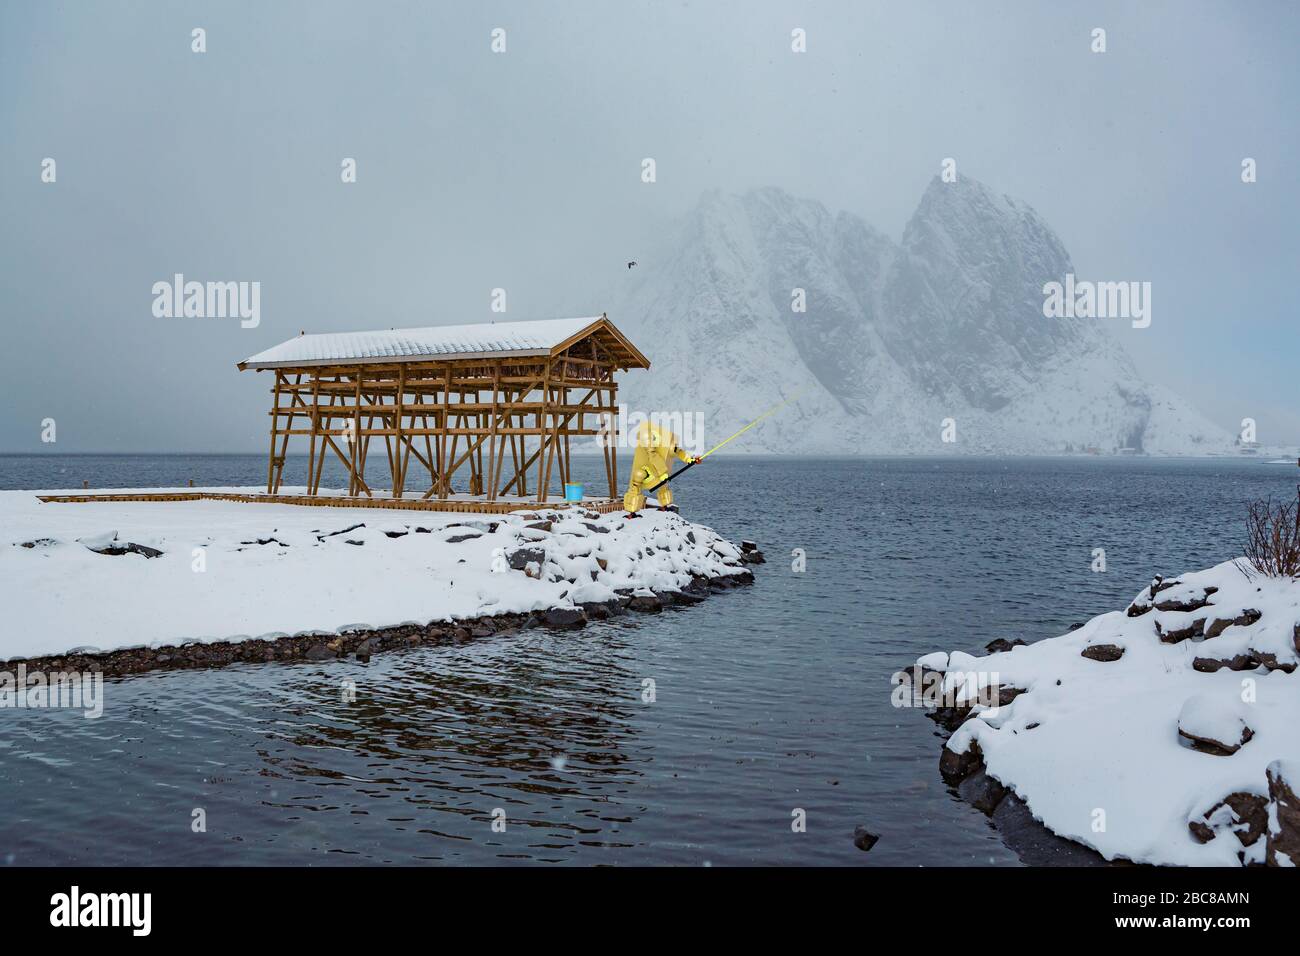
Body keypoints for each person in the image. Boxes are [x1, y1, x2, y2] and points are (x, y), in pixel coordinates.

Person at [623, 420, 701, 517]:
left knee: (663, 483)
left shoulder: (664, 439)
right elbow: (652, 455)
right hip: (647, 468)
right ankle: (631, 512)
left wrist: (689, 459)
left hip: (659, 469)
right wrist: (662, 472)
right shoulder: (646, 436)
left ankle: (664, 506)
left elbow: (676, 450)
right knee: (638, 477)